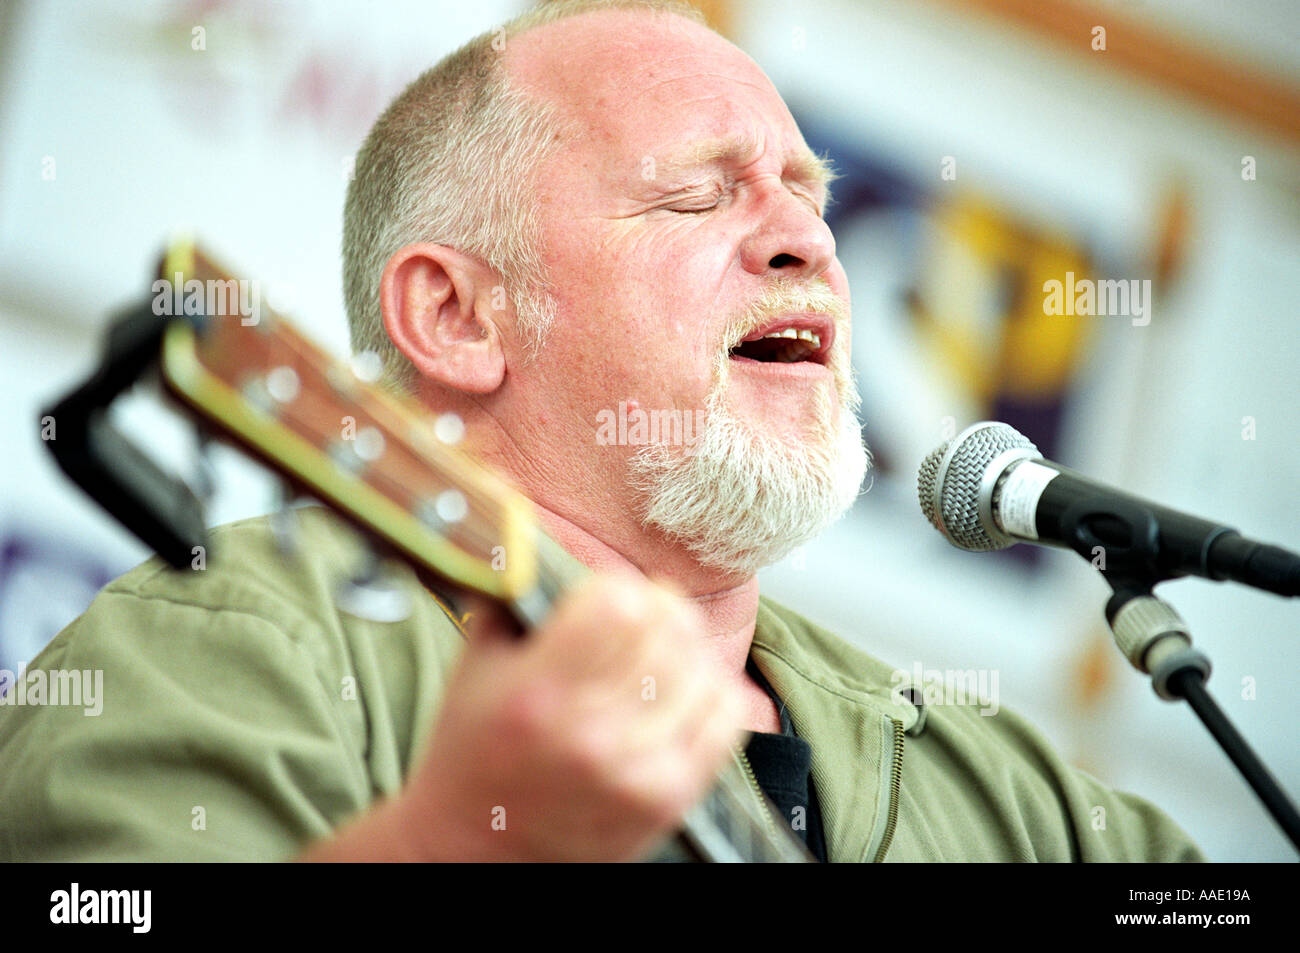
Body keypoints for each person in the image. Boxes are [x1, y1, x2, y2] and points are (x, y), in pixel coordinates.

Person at [0, 0, 1203, 862]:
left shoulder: (1025, 799)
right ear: (457, 314)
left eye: (809, 195)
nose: (810, 243)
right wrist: (455, 841)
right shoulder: (231, 648)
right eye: (698, 192)